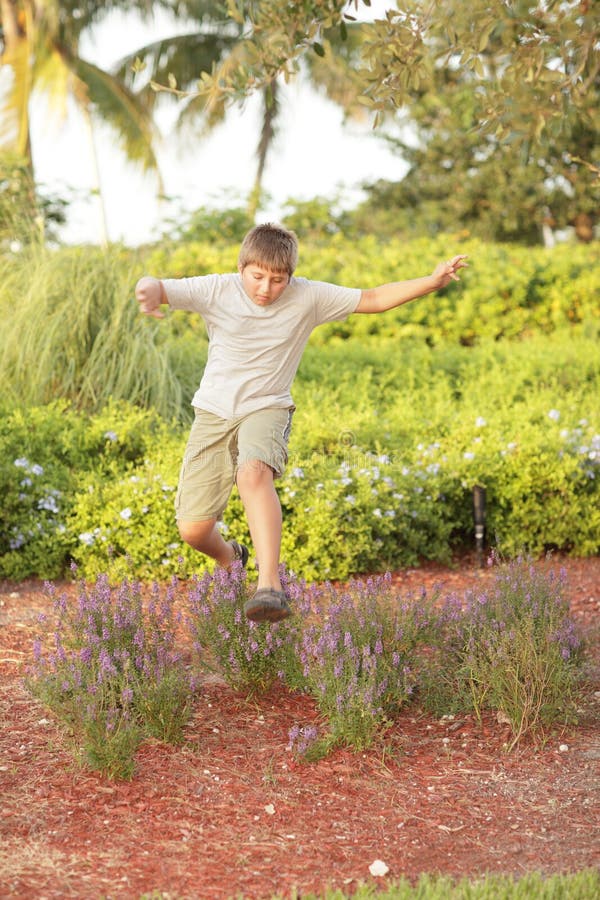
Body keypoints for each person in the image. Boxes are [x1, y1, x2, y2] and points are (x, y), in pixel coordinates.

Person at [135, 223, 467, 623]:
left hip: (268, 406)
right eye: (257, 277)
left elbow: (374, 298)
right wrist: (149, 290)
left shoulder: (308, 296)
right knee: (193, 530)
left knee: (254, 475)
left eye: (278, 280)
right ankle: (232, 559)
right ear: (241, 267)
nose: (265, 288)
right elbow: (160, 286)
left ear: (290, 277)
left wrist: (432, 282)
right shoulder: (217, 289)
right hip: (214, 411)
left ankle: (269, 586)